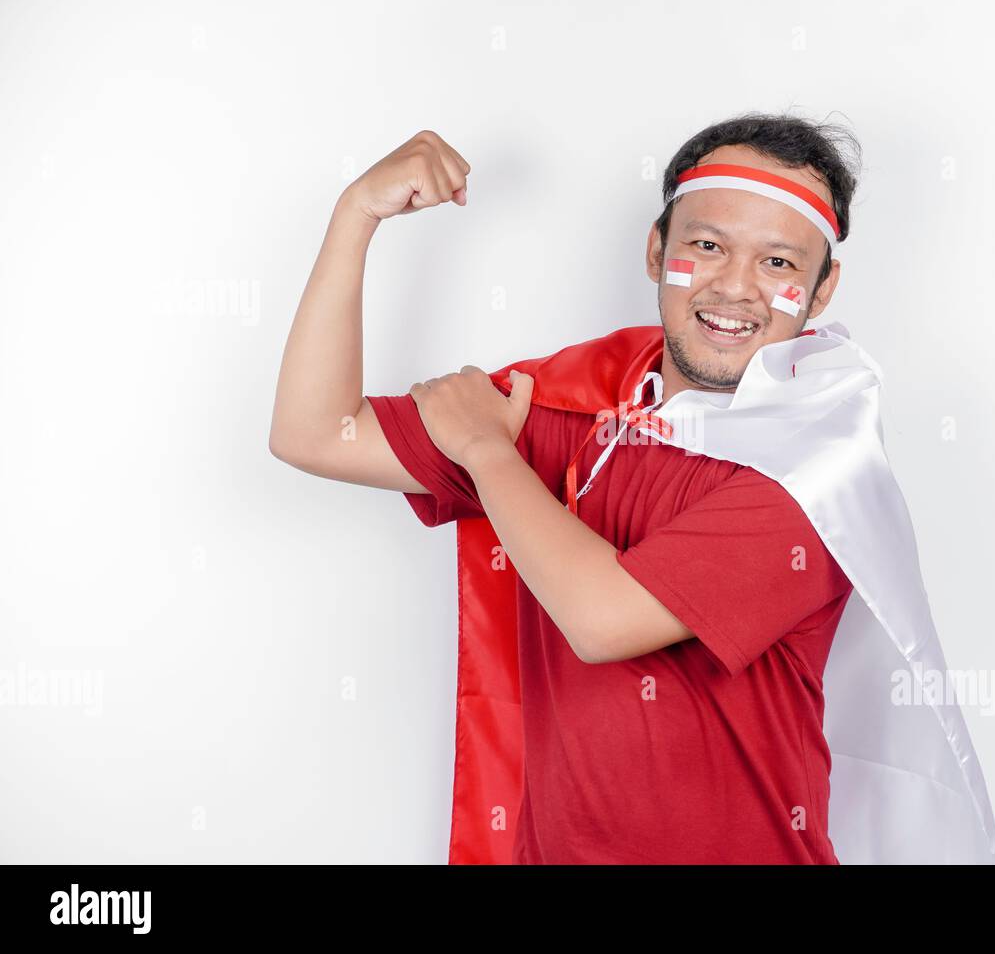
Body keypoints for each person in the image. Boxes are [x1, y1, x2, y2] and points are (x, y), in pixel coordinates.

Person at [269, 113, 875, 864]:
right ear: (658, 251)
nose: (734, 287)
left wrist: (488, 450)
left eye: (780, 263)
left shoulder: (820, 474)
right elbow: (314, 432)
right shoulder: (583, 410)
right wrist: (355, 214)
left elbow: (603, 622)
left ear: (820, 293)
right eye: (707, 245)